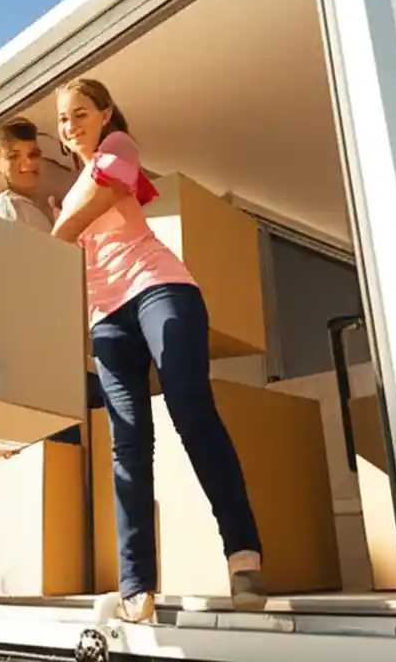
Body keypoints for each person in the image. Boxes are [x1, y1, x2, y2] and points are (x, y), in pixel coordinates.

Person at [49, 78, 267, 622]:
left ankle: (244, 558)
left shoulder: (119, 148)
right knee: (127, 443)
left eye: (79, 114)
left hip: (157, 288)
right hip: (106, 318)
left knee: (190, 407)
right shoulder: (72, 186)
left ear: (103, 114)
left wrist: (53, 234)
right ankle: (136, 587)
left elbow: (97, 206)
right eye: (62, 119)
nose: (70, 126)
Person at [0, 117, 104, 448]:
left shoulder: (35, 212)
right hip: (43, 368)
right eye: (13, 155)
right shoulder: (4, 209)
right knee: (63, 468)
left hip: (73, 361)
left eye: (33, 154)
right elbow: (13, 292)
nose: (27, 163)